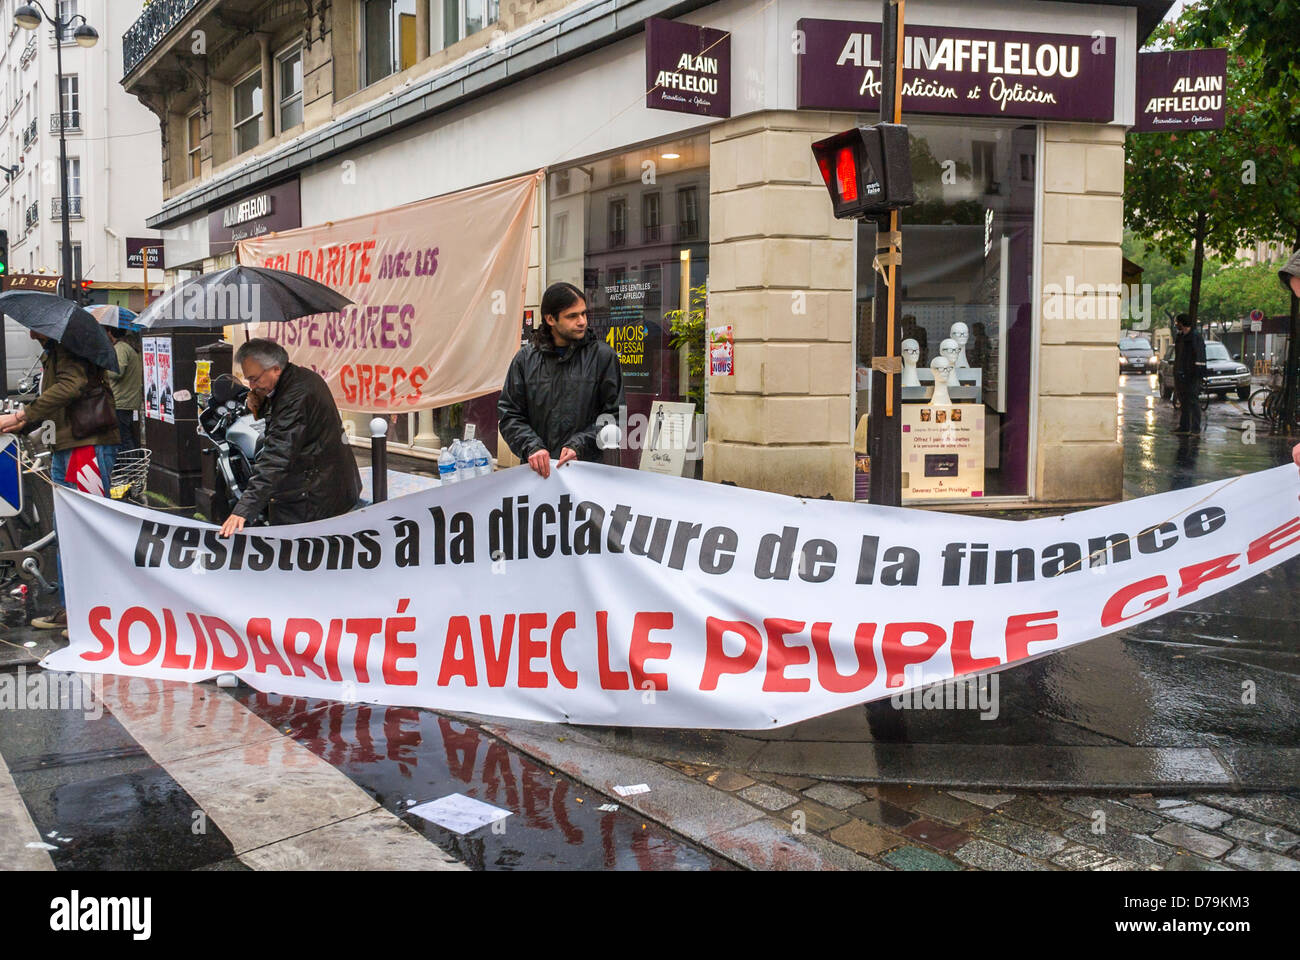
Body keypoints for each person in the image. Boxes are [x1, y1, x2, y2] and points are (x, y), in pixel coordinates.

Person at [0, 332, 121, 632]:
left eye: (32, 325)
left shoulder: (70, 346)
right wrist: (26, 420)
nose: (29, 331)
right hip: (70, 445)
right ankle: (73, 610)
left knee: (85, 531)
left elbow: (71, 386)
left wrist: (23, 415)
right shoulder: (55, 349)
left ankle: (94, 614)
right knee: (67, 530)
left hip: (85, 445)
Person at [217, 339, 361, 537]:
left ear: (275, 369)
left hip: (314, 496)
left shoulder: (297, 395)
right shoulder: (299, 379)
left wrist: (244, 509)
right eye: (248, 380)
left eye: (255, 379)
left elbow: (277, 454)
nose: (252, 385)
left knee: (299, 557)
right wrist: (262, 400)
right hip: (323, 484)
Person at [498, 281, 624, 478]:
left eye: (583, 313)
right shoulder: (524, 360)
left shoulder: (603, 357)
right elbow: (510, 415)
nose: (582, 321)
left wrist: (580, 446)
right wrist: (532, 447)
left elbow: (616, 417)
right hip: (537, 476)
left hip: (587, 475)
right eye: (572, 316)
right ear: (550, 319)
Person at [103, 327, 142, 451]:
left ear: (110, 332)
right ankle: (134, 465)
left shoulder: (120, 348)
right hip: (129, 400)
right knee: (129, 436)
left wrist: (103, 369)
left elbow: (117, 372)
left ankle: (130, 468)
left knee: (123, 438)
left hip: (121, 400)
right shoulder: (130, 347)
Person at [1172, 313, 1206, 434]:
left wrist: (1196, 373)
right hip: (1181, 374)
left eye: (1178, 322)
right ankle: (1184, 426)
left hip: (1192, 375)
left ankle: (1195, 429)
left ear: (1183, 323)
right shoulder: (1180, 337)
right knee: (1184, 401)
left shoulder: (1195, 337)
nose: (1176, 324)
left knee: (1193, 401)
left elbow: (1200, 356)